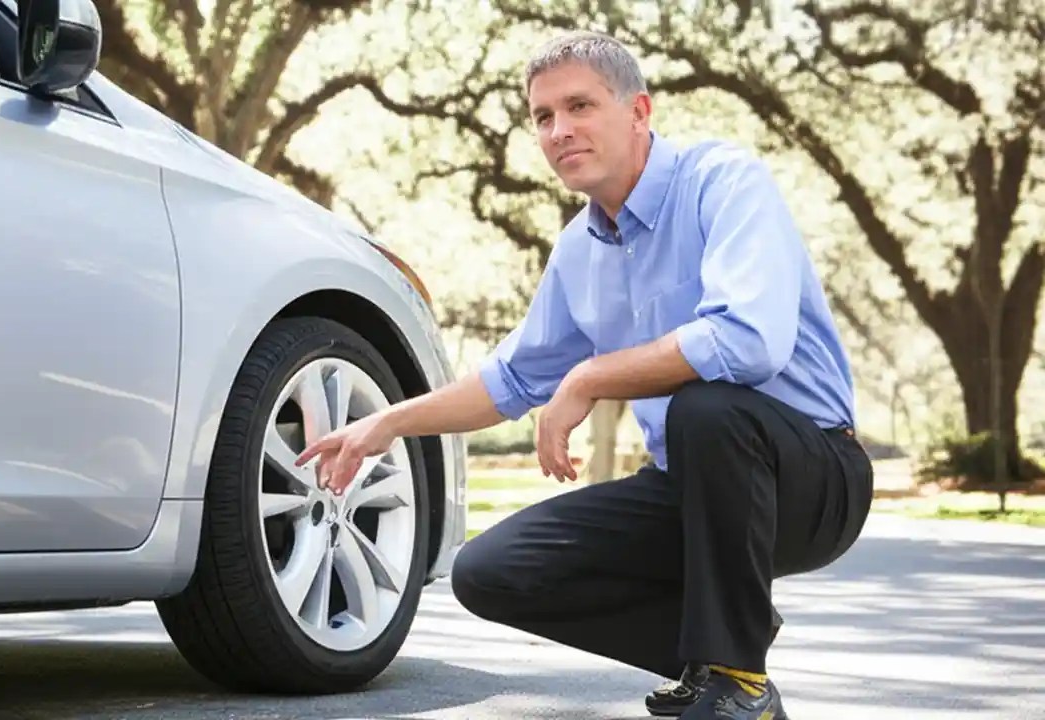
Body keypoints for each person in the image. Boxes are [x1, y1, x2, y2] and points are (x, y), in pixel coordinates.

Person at [295, 30, 873, 720]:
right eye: (543, 117)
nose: (559, 130)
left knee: (706, 406)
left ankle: (733, 674)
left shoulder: (723, 181)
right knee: (494, 573)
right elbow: (510, 381)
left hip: (811, 479)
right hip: (691, 489)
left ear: (638, 112)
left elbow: (749, 342)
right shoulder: (579, 249)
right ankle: (729, 659)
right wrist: (386, 423)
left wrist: (592, 376)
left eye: (579, 106)